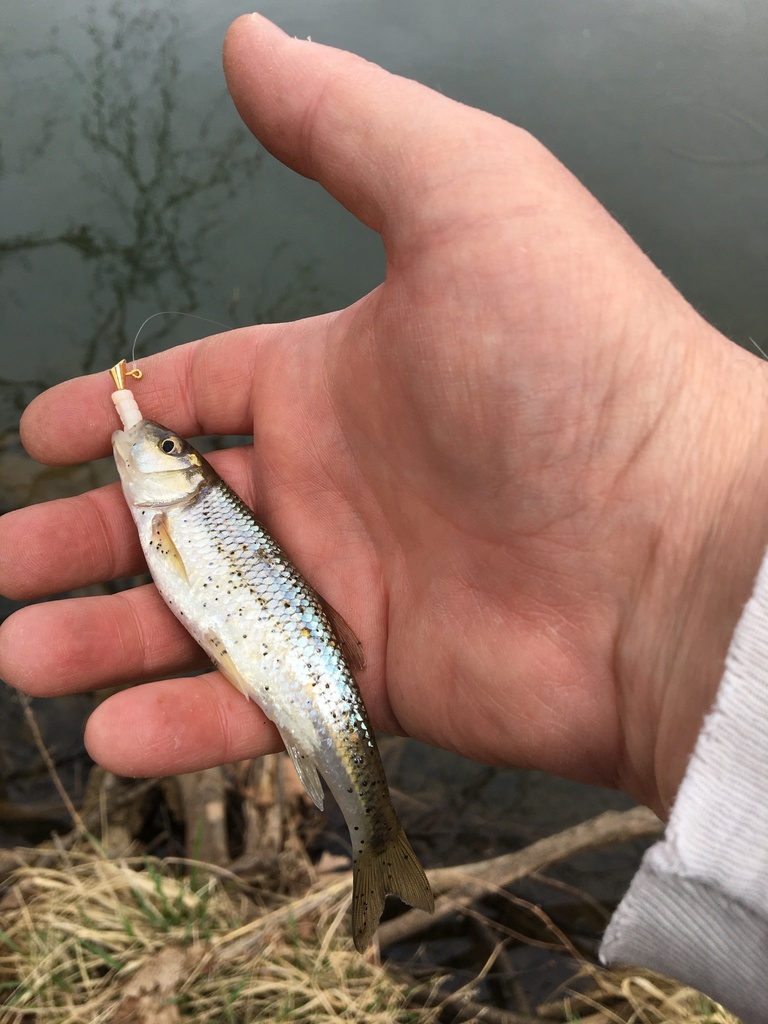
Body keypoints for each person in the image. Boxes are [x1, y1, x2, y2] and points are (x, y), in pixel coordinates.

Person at [1, 14, 767, 1020]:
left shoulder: (177, 504)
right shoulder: (177, 508)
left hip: (302, 661)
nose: (153, 446)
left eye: (171, 451)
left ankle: (378, 848)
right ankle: (380, 846)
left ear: (175, 473)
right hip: (300, 657)